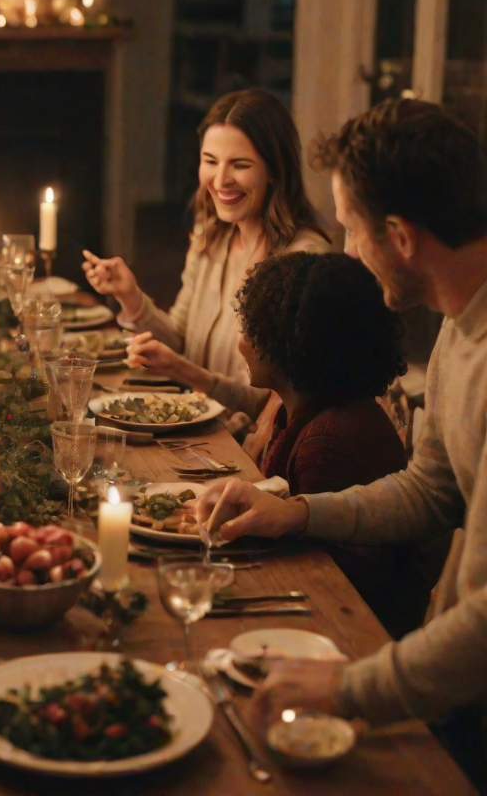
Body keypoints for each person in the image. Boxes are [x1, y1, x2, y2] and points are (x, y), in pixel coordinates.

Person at [196, 99, 487, 791]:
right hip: (448, 679)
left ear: (401, 236)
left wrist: (349, 688)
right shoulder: (458, 326)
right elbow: (432, 489)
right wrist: (297, 513)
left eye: (352, 229)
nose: (348, 252)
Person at [83, 88, 330, 423]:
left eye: (240, 165)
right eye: (210, 161)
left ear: (275, 170)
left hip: (240, 444)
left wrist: (185, 372)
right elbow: (179, 341)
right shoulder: (211, 234)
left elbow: (271, 406)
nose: (221, 180)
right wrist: (130, 295)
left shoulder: (304, 261)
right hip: (196, 428)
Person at [236, 250, 435, 637]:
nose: (242, 343)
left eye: (250, 328)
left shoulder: (327, 443)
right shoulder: (315, 410)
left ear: (287, 343)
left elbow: (327, 588)